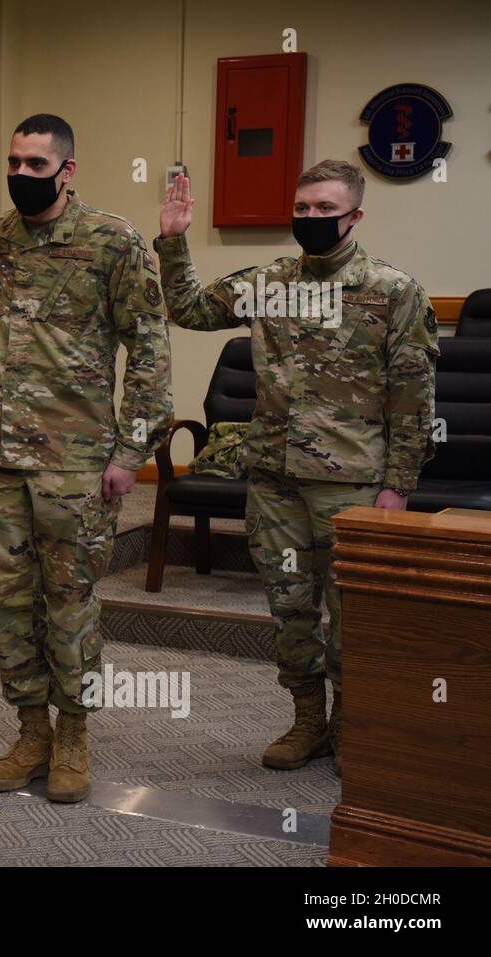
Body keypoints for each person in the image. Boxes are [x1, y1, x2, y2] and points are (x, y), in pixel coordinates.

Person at [0, 114, 172, 802]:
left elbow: (150, 349)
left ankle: (73, 733)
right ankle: (30, 730)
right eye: (13, 163)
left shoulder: (113, 243)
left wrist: (133, 448)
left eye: (35, 166)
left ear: (67, 171)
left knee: (70, 601)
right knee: (8, 601)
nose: (20, 176)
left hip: (75, 463)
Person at [155, 159, 438, 775]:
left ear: (355, 216)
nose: (310, 218)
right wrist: (174, 240)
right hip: (275, 479)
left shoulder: (393, 290)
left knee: (352, 615)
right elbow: (191, 311)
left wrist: (399, 486)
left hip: (353, 483)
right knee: (289, 607)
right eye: (302, 208)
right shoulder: (270, 280)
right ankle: (307, 719)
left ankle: (351, 722)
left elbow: (414, 398)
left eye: (324, 210)